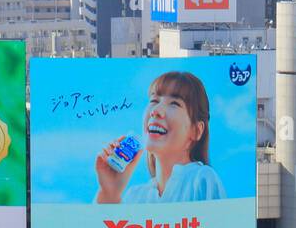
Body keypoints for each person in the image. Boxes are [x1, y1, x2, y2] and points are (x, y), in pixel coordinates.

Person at [94, 71, 226, 204]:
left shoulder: (202, 179)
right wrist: (109, 192)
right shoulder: (135, 196)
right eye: (154, 100)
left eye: (174, 103)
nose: (155, 110)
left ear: (196, 130)